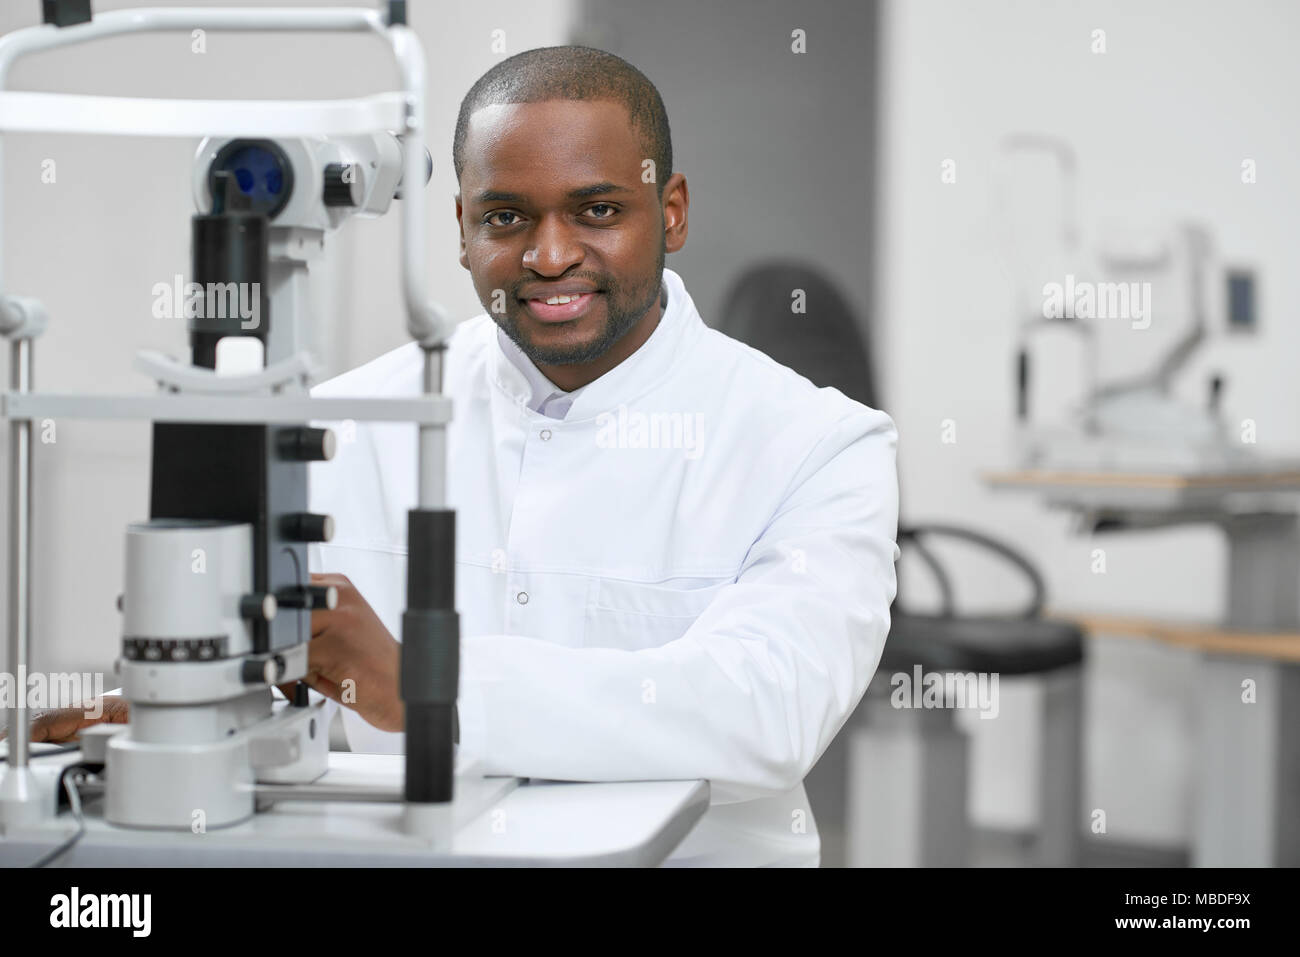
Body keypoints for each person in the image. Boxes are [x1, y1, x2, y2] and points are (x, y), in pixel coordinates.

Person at [9, 45, 899, 867]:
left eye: (597, 210)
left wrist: (430, 688)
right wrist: (197, 708)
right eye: (507, 216)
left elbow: (766, 709)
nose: (550, 256)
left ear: (671, 211)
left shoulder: (817, 444)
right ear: (463, 227)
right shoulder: (342, 420)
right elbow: (304, 687)